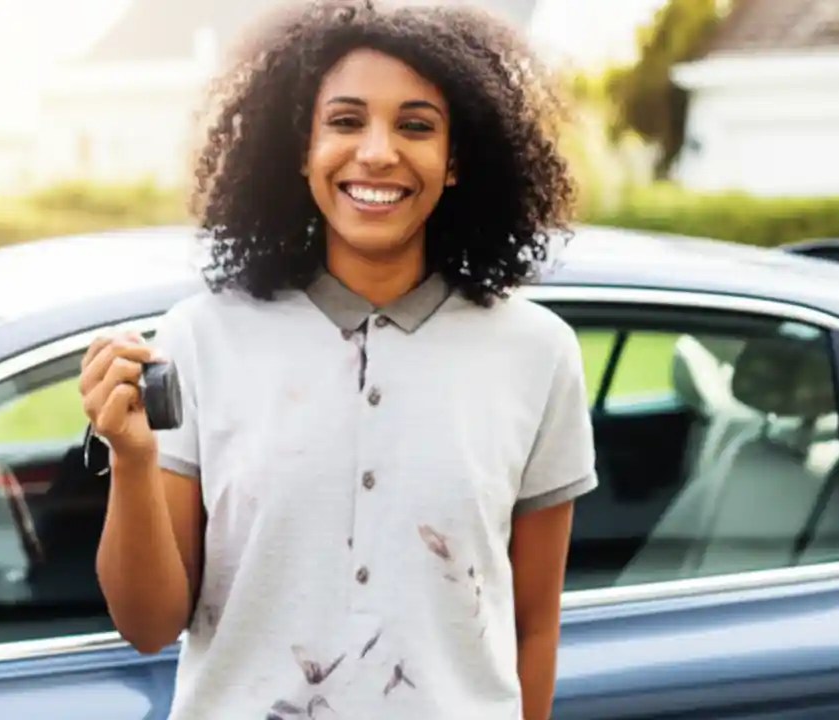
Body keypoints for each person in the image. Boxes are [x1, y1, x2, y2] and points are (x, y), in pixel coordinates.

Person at [78, 1, 597, 717]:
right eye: (346, 121)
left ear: (456, 162)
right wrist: (132, 460)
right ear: (300, 151)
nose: (378, 151)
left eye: (416, 125)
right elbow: (146, 626)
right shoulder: (201, 338)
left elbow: (534, 629)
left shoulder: (538, 353)